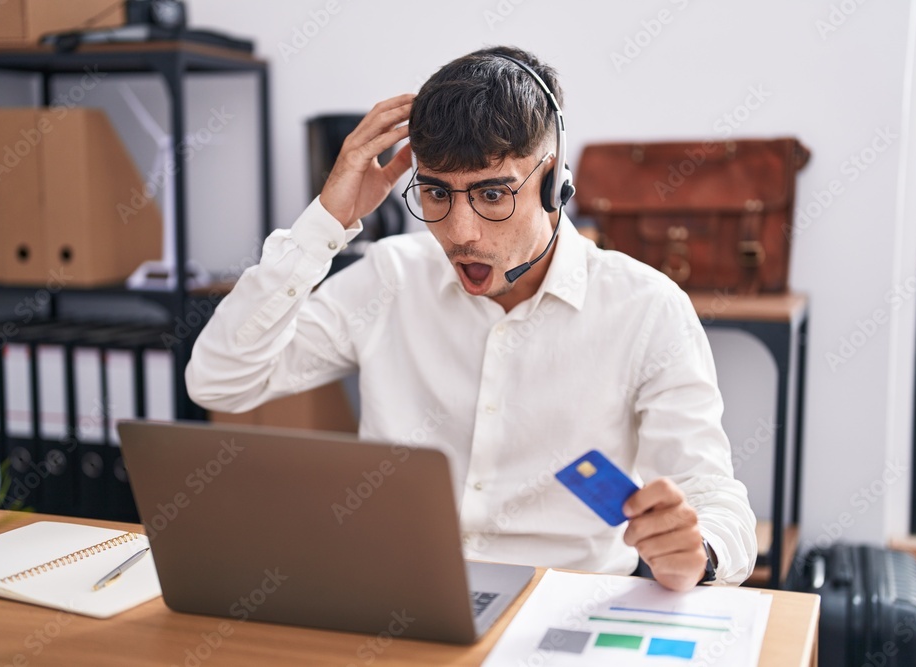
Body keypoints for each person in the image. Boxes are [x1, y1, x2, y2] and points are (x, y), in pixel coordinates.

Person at [186, 46, 757, 591]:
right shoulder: (391, 278)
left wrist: (698, 550)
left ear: (552, 181)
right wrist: (325, 224)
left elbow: (714, 496)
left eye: (491, 195)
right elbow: (220, 381)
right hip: (399, 595)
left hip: (558, 603)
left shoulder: (645, 307)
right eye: (436, 193)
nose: (460, 234)